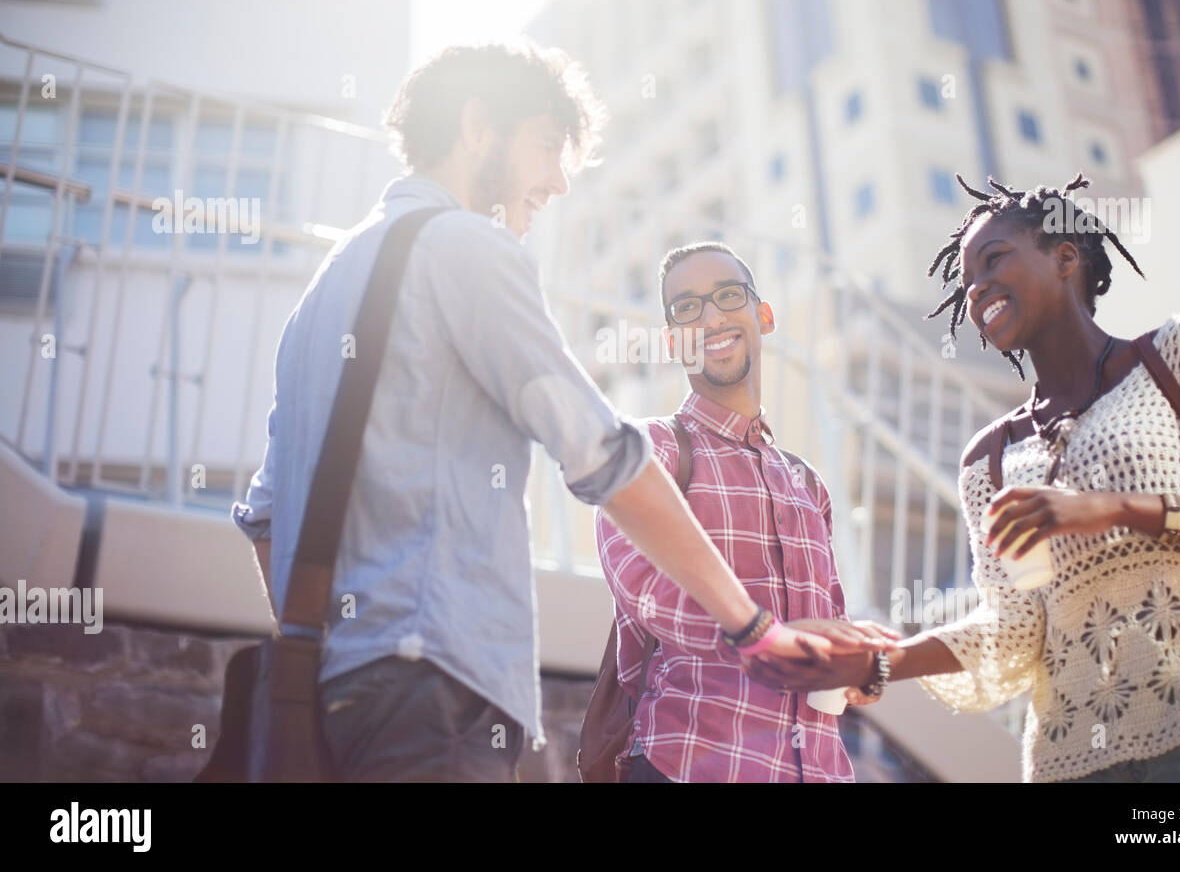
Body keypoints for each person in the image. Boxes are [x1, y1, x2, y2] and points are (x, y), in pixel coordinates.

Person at [230, 42, 837, 783]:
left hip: (333, 695)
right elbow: (604, 457)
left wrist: (333, 656)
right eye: (547, 146)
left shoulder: (322, 294)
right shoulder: (468, 247)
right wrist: (750, 626)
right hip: (435, 693)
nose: (555, 180)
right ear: (478, 124)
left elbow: (265, 521)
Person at [746, 173, 1180, 782]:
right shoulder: (990, 457)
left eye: (995, 259)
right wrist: (881, 661)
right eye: (966, 281)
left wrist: (1116, 509)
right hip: (1076, 761)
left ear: (1065, 256)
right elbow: (1012, 629)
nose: (978, 288)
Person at [595, 242, 891, 782]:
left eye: (728, 295)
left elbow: (833, 622)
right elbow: (644, 591)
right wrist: (775, 639)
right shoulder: (651, 450)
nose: (710, 317)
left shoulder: (808, 484)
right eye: (686, 308)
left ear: (764, 315)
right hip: (688, 765)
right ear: (673, 342)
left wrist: (861, 666)